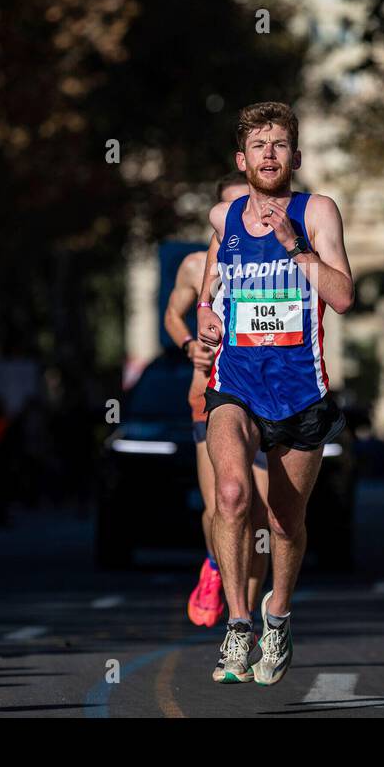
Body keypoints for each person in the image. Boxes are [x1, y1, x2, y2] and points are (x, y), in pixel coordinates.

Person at [196, 101, 353, 685]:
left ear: (296, 156)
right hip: (234, 384)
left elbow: (342, 297)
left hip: (300, 392)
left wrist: (296, 248)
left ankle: (278, 617)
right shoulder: (224, 217)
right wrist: (206, 315)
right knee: (232, 495)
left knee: (286, 521)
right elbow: (212, 287)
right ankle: (239, 626)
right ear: (242, 159)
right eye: (258, 146)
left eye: (279, 144)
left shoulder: (317, 212)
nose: (268, 154)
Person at [163, 173, 269, 628]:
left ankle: (245, 615)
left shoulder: (270, 259)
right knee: (221, 504)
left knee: (260, 516)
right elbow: (173, 314)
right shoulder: (194, 266)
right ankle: (214, 564)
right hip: (210, 392)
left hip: (267, 392)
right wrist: (190, 345)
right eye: (228, 209)